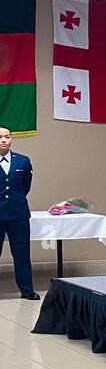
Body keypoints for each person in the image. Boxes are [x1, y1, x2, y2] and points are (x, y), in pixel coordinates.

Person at [0, 127, 37, 300]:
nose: (4, 140)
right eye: (0, 137)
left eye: (7, 137)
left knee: (22, 253)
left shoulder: (23, 161)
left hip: (18, 214)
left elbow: (25, 186)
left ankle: (27, 290)